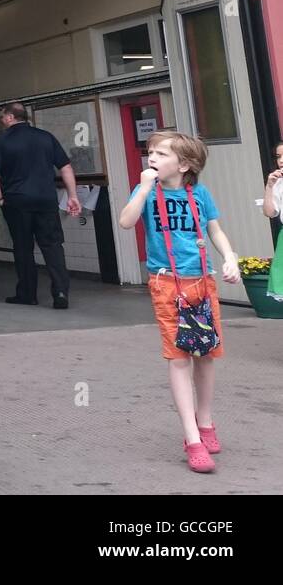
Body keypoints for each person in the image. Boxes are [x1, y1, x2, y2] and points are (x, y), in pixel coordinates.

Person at [118, 130, 241, 474]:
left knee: (205, 355)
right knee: (178, 358)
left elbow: (214, 229)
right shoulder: (145, 190)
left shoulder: (199, 194)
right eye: (150, 152)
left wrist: (230, 257)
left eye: (160, 154)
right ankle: (192, 438)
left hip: (202, 282)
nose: (151, 158)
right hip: (166, 283)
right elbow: (126, 222)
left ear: (184, 164)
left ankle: (206, 421)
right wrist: (143, 187)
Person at [0, 102, 82, 309]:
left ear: (10, 117)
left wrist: (0, 198)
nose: (1, 121)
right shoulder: (46, 137)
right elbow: (66, 167)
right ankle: (61, 292)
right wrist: (73, 196)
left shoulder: (2, 141)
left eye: (2, 117)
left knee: (23, 248)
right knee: (53, 246)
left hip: (17, 201)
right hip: (46, 200)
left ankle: (27, 294)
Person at [261, 140, 283, 303]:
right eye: (278, 156)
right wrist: (269, 186)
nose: (281, 160)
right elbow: (269, 212)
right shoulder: (278, 183)